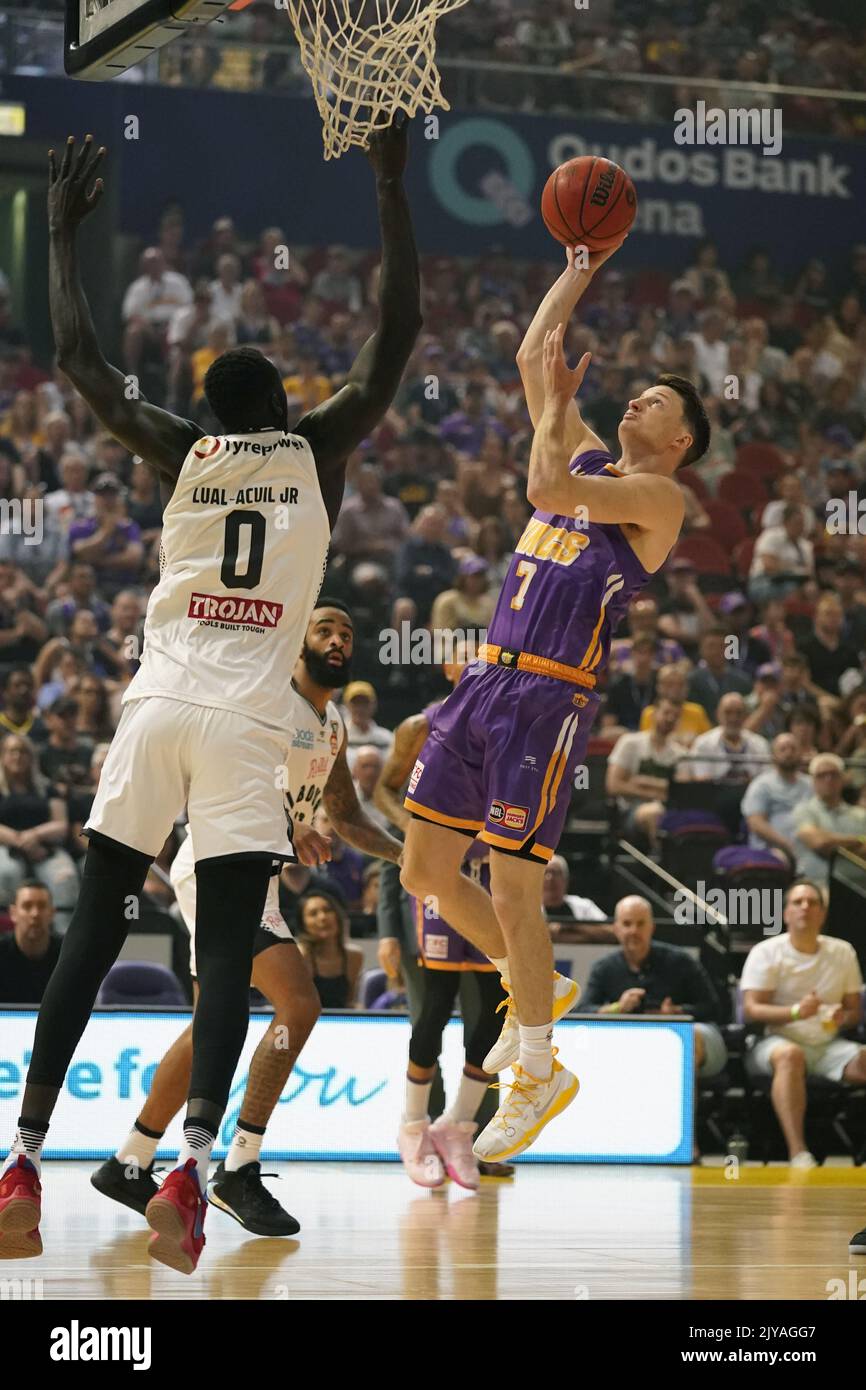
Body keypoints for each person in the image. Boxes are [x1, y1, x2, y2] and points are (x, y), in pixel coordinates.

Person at [0, 121, 421, 1273]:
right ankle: (192, 1164)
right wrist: (390, 184)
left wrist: (63, 236)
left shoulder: (177, 448)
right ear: (284, 408)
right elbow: (395, 340)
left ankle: (23, 1155)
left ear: (211, 412)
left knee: (90, 929)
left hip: (155, 706)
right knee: (226, 960)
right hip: (245, 723)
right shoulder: (317, 447)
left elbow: (82, 362)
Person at [401, 238, 710, 1163]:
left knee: (514, 884)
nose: (638, 399)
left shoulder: (657, 500)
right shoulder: (591, 465)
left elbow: (543, 483)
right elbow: (534, 355)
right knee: (423, 871)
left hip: (547, 700)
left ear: (682, 440)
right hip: (487, 678)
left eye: (658, 400)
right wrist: (581, 263)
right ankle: (521, 976)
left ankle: (539, 1068)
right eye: (638, 391)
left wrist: (560, 413)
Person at [90, 600, 402, 1236]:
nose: (339, 638)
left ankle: (131, 1160)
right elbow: (227, 783)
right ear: (295, 643)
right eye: (325, 628)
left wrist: (407, 856)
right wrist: (291, 832)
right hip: (216, 863)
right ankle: (238, 1166)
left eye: (348, 630)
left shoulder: (333, 722)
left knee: (215, 1018)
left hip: (249, 872)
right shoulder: (261, 697)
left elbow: (341, 813)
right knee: (299, 1003)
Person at [374, 641, 511, 1188]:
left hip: (488, 875)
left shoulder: (507, 726)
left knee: (495, 1009)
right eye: (470, 659)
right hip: (440, 878)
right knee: (435, 1004)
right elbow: (384, 789)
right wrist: (413, 831)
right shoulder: (419, 724)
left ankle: (458, 1124)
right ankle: (413, 1123)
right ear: (451, 670)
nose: (481, 665)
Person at [741, 879, 865, 1169]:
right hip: (775, 1041)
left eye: (813, 902)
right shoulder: (767, 951)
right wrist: (795, 1013)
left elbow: (854, 1012)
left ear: (823, 914)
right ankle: (799, 1153)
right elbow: (751, 1010)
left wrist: (841, 1018)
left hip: (828, 1044)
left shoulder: (843, 952)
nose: (805, 908)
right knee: (790, 1056)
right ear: (786, 913)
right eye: (798, 902)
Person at [580, 895, 727, 1081]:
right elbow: (582, 1010)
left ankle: (681, 1108)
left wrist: (677, 1012)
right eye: (627, 924)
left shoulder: (681, 961)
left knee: (686, 1040)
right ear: (616, 929)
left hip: (685, 1031)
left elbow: (713, 1008)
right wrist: (618, 1008)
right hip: (629, 1038)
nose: (633, 930)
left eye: (641, 924)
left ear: (652, 927)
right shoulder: (604, 967)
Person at [606, 697, 690, 848]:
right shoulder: (630, 742)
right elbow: (613, 785)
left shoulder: (680, 754)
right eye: (666, 713)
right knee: (654, 812)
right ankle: (660, 859)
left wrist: (642, 781)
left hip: (669, 809)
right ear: (654, 714)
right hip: (629, 811)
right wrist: (661, 791)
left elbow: (683, 792)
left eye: (676, 716)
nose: (670, 719)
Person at [791, 754, 866, 884]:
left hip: (857, 886)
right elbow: (820, 843)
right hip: (814, 887)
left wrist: (831, 841)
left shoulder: (860, 815)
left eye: (833, 774)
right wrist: (858, 840)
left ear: (842, 779)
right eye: (822, 775)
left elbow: (827, 843)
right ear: (813, 780)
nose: (828, 779)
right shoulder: (804, 811)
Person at [741, 733, 812, 864]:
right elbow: (756, 823)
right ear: (773, 755)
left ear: (801, 753)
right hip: (772, 850)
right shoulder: (761, 784)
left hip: (809, 849)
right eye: (783, 749)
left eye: (793, 749)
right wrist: (787, 845)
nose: (788, 753)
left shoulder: (811, 784)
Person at [0, 881, 62, 1005]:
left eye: (42, 906)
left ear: (52, 913)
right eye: (27, 906)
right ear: (13, 913)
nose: (35, 914)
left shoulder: (67, 954)